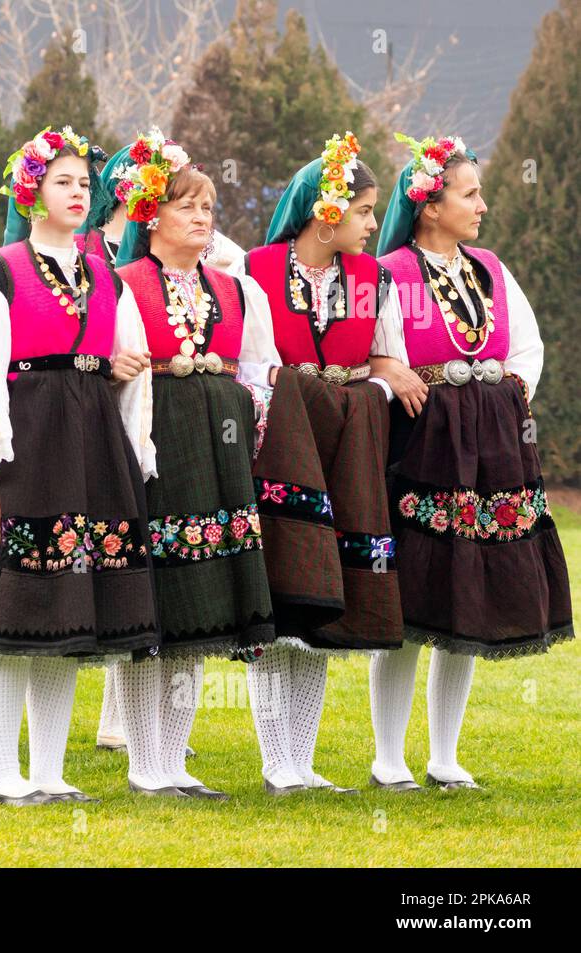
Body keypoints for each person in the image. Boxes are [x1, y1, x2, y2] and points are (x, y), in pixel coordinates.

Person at [0, 126, 158, 804]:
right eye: (64, 182)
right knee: (12, 613)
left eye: (85, 183)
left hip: (86, 450)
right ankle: (2, 773)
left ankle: (49, 772)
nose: (79, 192)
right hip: (21, 454)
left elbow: (128, 367)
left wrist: (131, 449)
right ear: (31, 193)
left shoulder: (105, 276)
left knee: (65, 613)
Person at [367, 133, 572, 790]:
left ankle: (445, 754)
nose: (481, 205)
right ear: (430, 205)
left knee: (470, 593)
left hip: (491, 442)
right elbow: (380, 349)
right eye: (470, 193)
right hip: (424, 442)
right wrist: (396, 370)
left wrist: (508, 395)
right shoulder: (392, 274)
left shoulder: (488, 269)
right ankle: (388, 755)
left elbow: (528, 343)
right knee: (413, 595)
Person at [112, 129, 281, 799]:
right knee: (153, 605)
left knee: (200, 605)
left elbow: (258, 367)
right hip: (157, 446)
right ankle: (142, 762)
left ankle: (174, 758)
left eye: (208, 207)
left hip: (219, 449)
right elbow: (113, 368)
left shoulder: (235, 290)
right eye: (187, 206)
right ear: (152, 215)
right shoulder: (123, 284)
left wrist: (250, 414)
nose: (203, 218)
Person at [240, 132, 405, 794]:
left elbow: (389, 360)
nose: (373, 223)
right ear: (326, 213)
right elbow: (249, 362)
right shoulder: (254, 271)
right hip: (279, 448)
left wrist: (376, 381)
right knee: (286, 591)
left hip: (344, 446)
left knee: (322, 598)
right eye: (365, 210)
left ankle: (300, 761)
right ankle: (276, 759)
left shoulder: (371, 279)